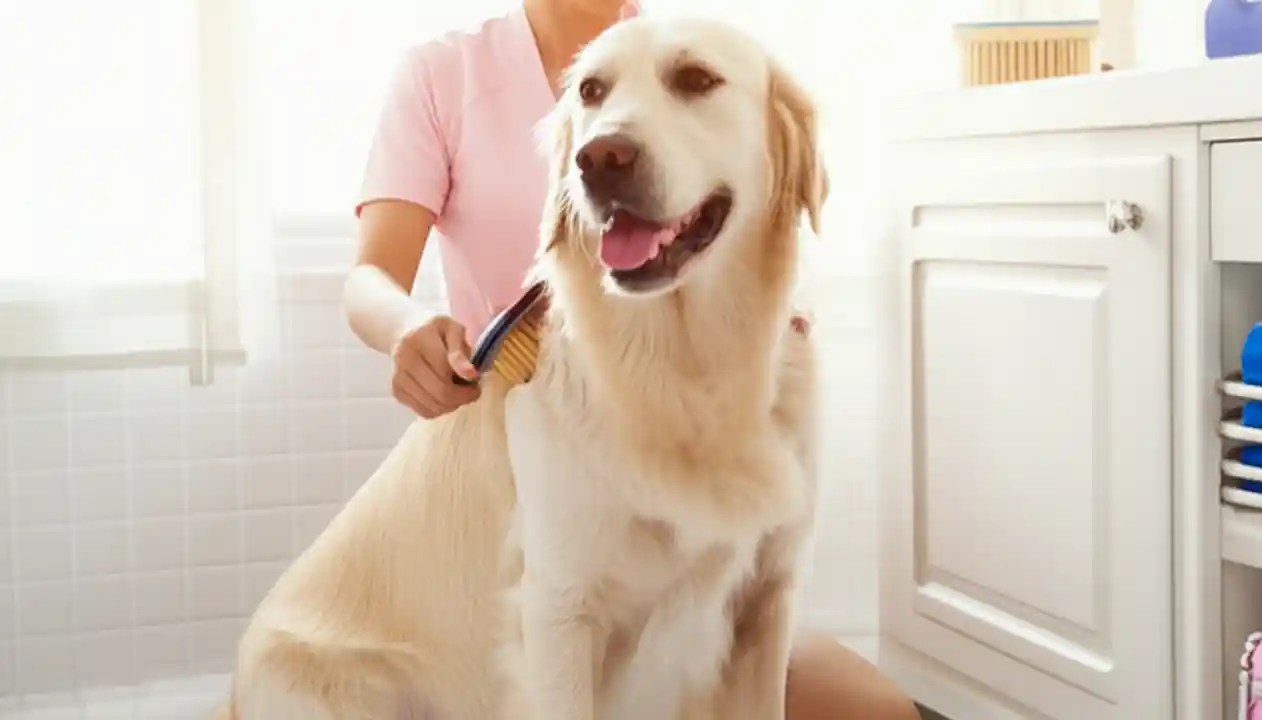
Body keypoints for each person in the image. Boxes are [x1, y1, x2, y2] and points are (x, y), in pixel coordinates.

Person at [343, 0, 921, 718]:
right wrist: (408, 325)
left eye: (692, 84)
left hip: (712, 422)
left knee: (878, 710)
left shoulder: (699, 45)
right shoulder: (442, 71)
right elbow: (369, 277)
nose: (609, 143)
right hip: (541, 420)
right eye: (592, 96)